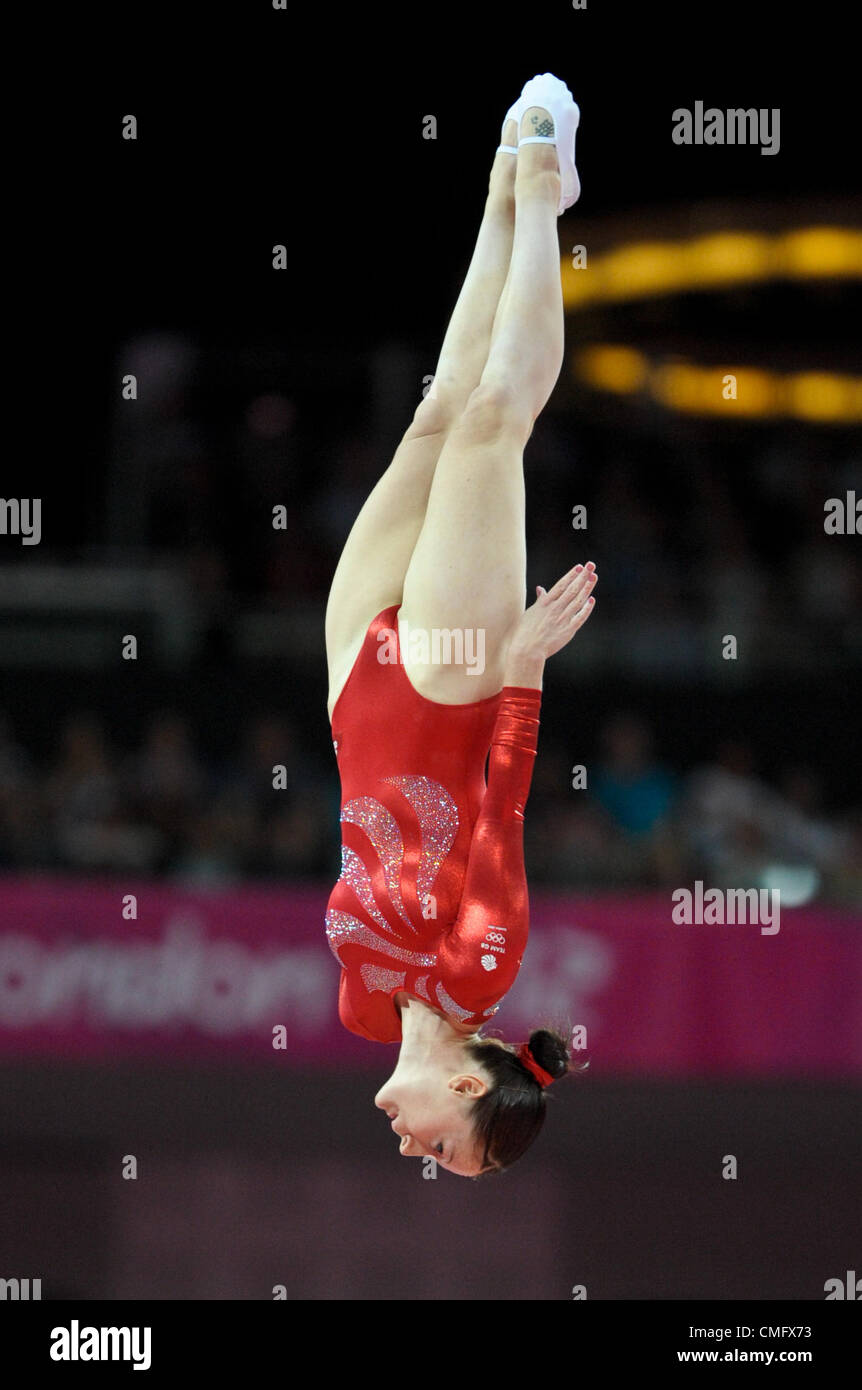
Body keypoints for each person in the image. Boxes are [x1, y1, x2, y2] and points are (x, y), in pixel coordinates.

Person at [324, 75, 593, 1176]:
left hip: (353, 686)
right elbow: (503, 812)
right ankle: (542, 174)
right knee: (489, 427)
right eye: (445, 1147)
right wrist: (522, 670)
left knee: (433, 418)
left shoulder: (358, 1016)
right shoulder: (478, 972)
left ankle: (497, 181)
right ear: (471, 1084)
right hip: (450, 683)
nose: (413, 1150)